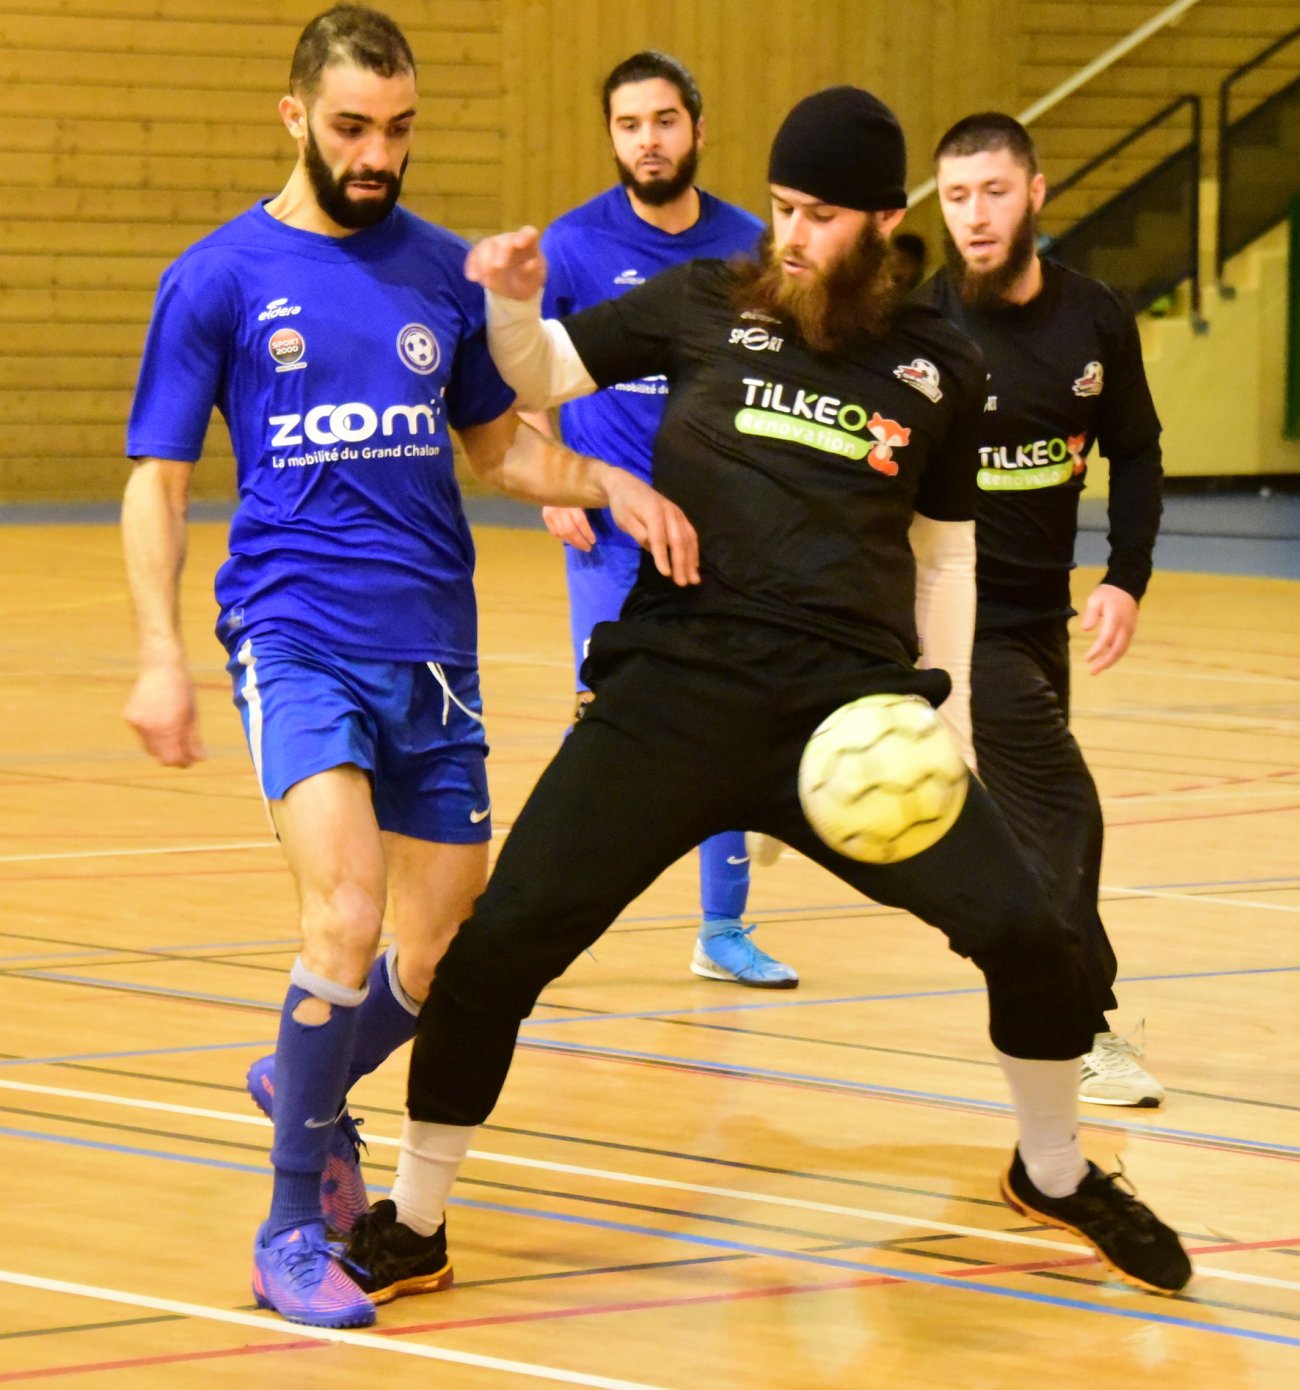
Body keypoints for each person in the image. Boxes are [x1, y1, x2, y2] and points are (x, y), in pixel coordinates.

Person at [338, 87, 1192, 1305]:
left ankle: (1052, 1171)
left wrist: (938, 723)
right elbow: (544, 366)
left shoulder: (937, 362)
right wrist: (513, 294)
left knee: (1034, 933)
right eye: (785, 207)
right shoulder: (707, 300)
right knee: (504, 945)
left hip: (841, 717)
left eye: (822, 215)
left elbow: (944, 553)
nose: (792, 235)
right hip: (670, 692)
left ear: (883, 222)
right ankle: (415, 1218)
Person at [121, 4, 694, 1331]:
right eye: (352, 129)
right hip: (295, 630)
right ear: (295, 116)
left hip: (434, 649)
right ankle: (287, 1227)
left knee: (442, 955)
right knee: (348, 919)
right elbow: (157, 480)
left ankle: (303, 1074)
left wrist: (608, 478)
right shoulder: (216, 277)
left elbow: (501, 452)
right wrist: (161, 656)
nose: (378, 155)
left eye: (398, 130)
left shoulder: (442, 269)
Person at [532, 51, 796, 988]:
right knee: (606, 726)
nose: (648, 141)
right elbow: (520, 374)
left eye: (664, 121)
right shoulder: (570, 248)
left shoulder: (749, 248)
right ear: (612, 137)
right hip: (611, 532)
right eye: (629, 125)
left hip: (723, 533)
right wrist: (565, 480)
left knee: (723, 724)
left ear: (697, 126)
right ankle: (542, 915)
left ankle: (722, 930)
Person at [921, 113, 1166, 1107]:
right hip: (955, 621)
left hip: (1039, 617)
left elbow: (1137, 449)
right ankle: (1083, 1025)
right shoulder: (922, 324)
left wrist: (1126, 576)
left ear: (1036, 193)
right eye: (953, 196)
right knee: (1063, 807)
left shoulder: (1093, 317)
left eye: (991, 191)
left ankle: (1026, 994)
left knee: (1025, 834)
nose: (973, 215)